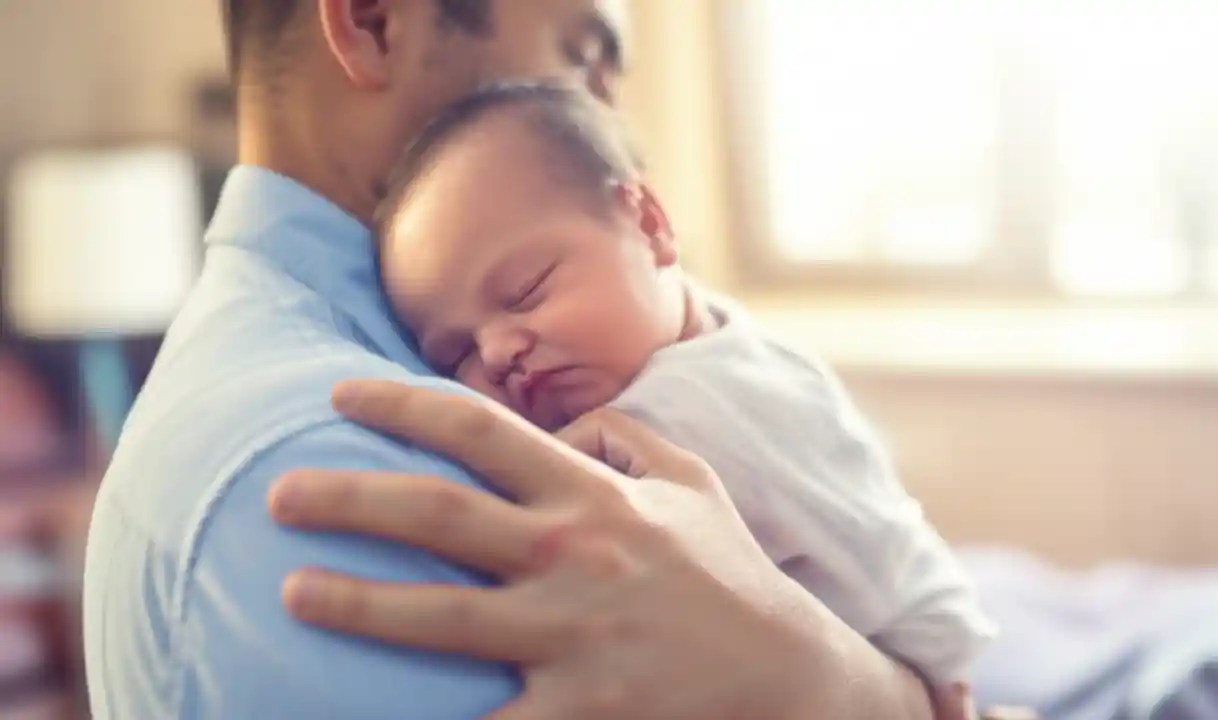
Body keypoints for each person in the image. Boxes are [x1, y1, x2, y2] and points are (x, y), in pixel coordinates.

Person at [81, 1, 961, 718]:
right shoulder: (327, 458)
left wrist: (825, 675)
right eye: (581, 56)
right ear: (375, 19)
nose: (608, 120)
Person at [371, 81, 994, 694]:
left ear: (648, 224)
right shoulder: (712, 323)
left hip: (901, 653)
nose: (499, 352)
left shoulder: (676, 412)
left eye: (527, 290)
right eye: (456, 354)